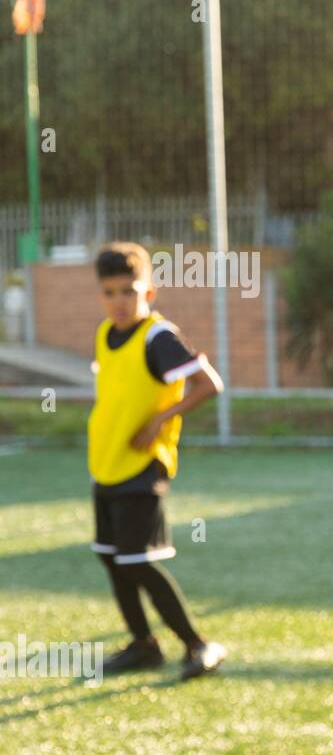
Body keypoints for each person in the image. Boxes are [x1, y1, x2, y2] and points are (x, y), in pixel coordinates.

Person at [88, 242, 227, 680]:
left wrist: (159, 422)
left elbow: (209, 385)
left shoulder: (158, 336)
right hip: (106, 463)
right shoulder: (105, 334)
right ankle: (144, 645)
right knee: (113, 557)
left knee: (137, 561)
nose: (119, 301)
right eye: (109, 292)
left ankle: (198, 645)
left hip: (143, 467)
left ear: (148, 292)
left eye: (128, 291)